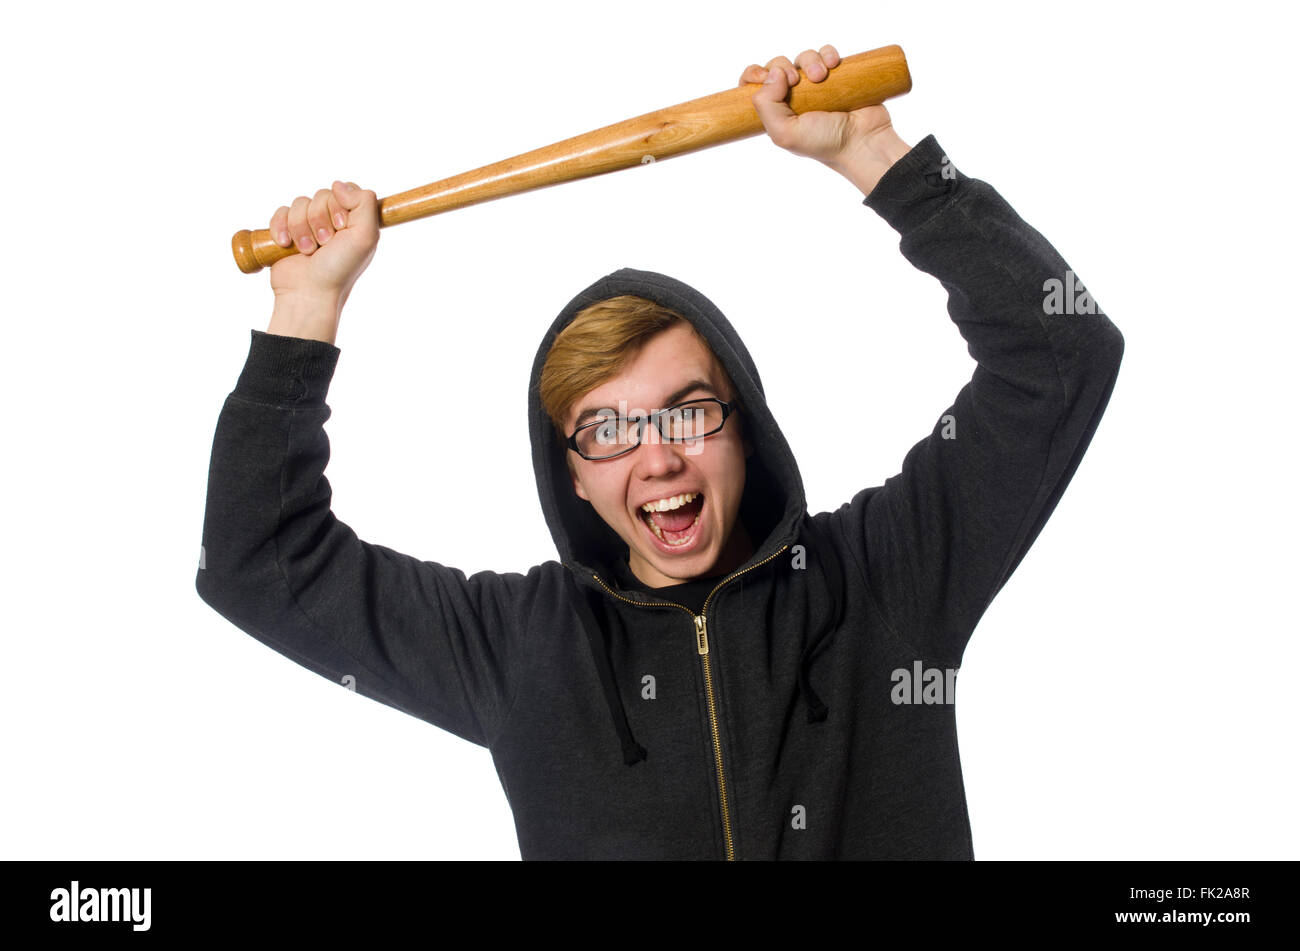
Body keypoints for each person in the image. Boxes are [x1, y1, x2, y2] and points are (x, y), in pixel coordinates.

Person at [196, 45, 1123, 859]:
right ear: (572, 472)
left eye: (686, 413)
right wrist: (305, 310)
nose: (659, 458)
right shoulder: (518, 646)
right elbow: (259, 566)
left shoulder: (886, 576)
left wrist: (876, 159)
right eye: (606, 429)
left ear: (743, 428)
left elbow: (1061, 352)